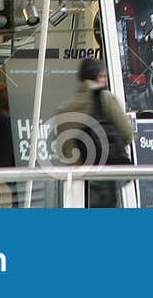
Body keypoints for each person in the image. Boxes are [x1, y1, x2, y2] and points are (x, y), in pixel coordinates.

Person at [55, 58, 134, 208]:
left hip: (75, 181)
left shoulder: (64, 109)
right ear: (98, 77)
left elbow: (63, 150)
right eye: (103, 76)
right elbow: (127, 133)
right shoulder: (105, 98)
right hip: (103, 177)